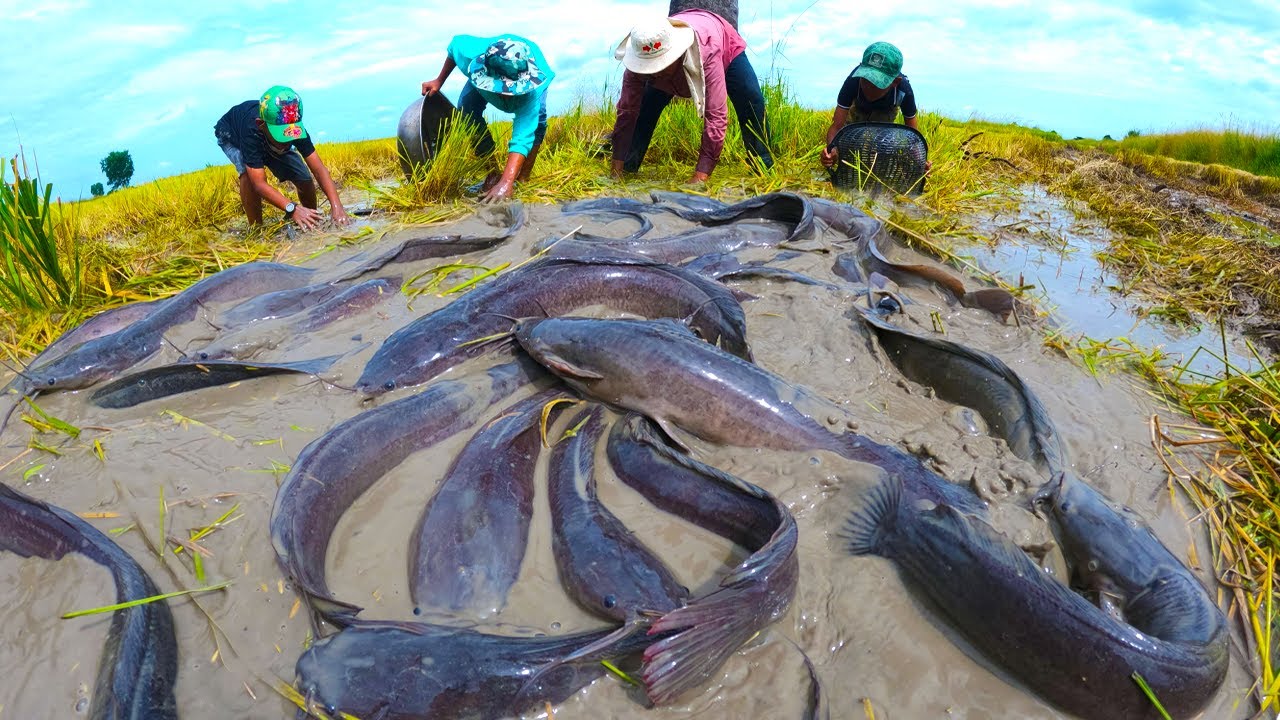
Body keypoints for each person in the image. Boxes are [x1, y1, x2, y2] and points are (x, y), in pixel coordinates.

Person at [611, 12, 772, 184]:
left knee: (751, 99)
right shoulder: (638, 60)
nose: (655, 72)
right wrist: (615, 173)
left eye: (660, 65)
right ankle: (628, 168)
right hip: (685, 28)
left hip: (721, 40)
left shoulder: (707, 51)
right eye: (649, 68)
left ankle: (763, 168)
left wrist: (700, 177)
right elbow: (627, 114)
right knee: (645, 108)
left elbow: (716, 117)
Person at [420, 35, 554, 203]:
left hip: (529, 70)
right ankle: (492, 172)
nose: (507, 97)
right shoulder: (467, 54)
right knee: (466, 108)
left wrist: (507, 182)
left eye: (512, 91)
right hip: (489, 67)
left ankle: (522, 179)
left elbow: (523, 136)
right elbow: (453, 47)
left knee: (538, 121)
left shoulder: (532, 89)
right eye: (501, 90)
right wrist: (439, 80)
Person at [214, 86, 350, 231]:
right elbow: (259, 184)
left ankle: (310, 219)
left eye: (290, 137)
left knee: (303, 177)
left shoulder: (292, 124)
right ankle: (256, 229)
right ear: (261, 125)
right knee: (247, 174)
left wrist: (337, 207)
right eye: (282, 137)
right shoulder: (251, 132)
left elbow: (319, 169)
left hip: (267, 138)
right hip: (232, 135)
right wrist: (292, 209)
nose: (287, 142)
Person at [821, 42, 922, 168]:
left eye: (876, 84)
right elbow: (836, 126)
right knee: (848, 142)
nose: (868, 88)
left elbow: (914, 136)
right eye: (865, 80)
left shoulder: (903, 90)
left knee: (881, 149)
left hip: (885, 111)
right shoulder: (853, 81)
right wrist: (831, 150)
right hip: (858, 106)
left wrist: (920, 162)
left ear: (895, 82)